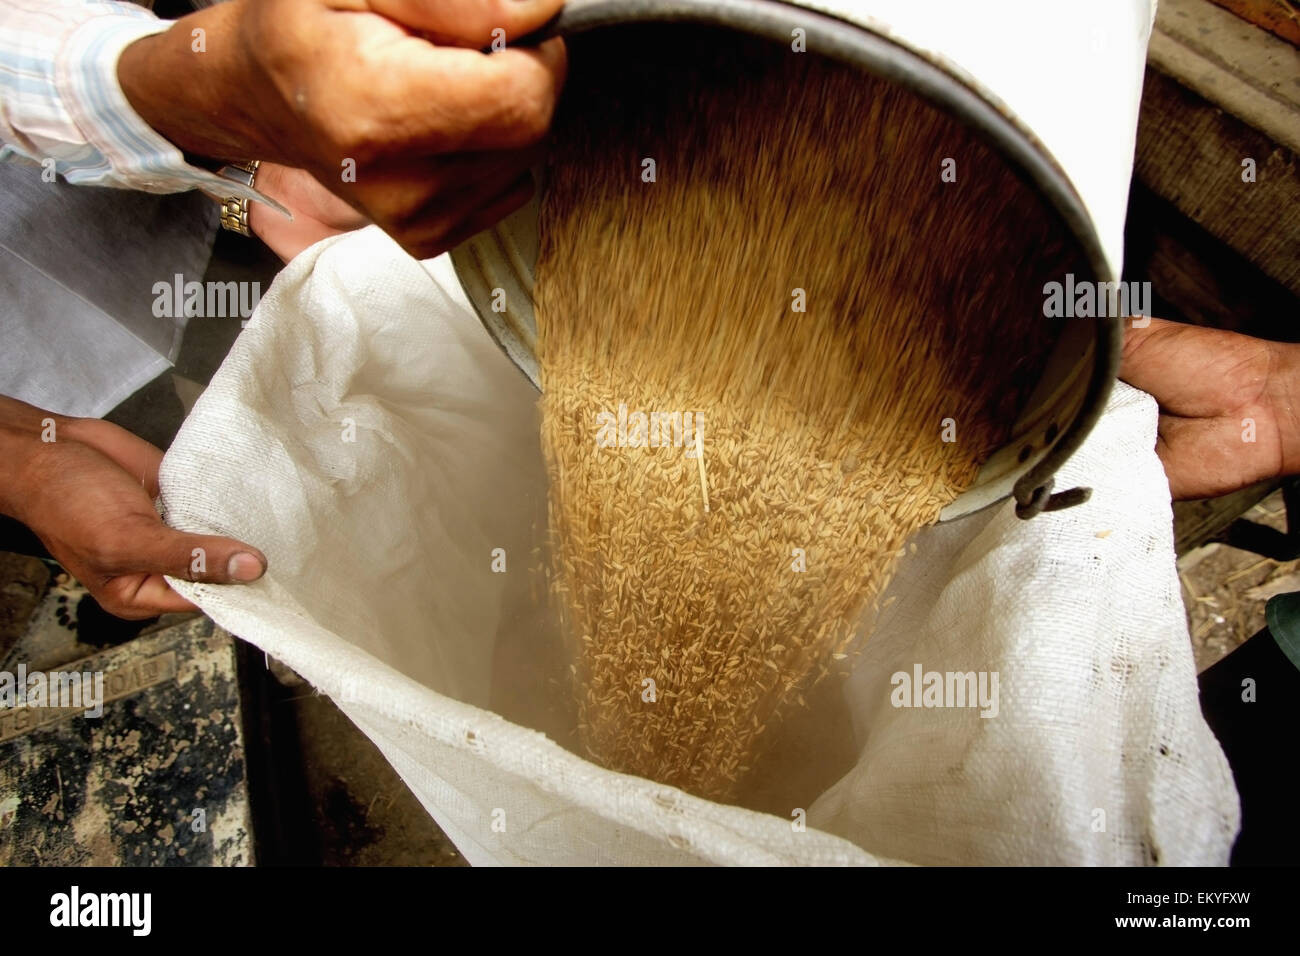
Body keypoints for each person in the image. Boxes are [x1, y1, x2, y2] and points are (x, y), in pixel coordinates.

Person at [0, 0, 566, 618]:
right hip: (52, 391)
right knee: (291, 517)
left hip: (217, 203)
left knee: (441, 405)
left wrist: (245, 158)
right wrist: (20, 461)